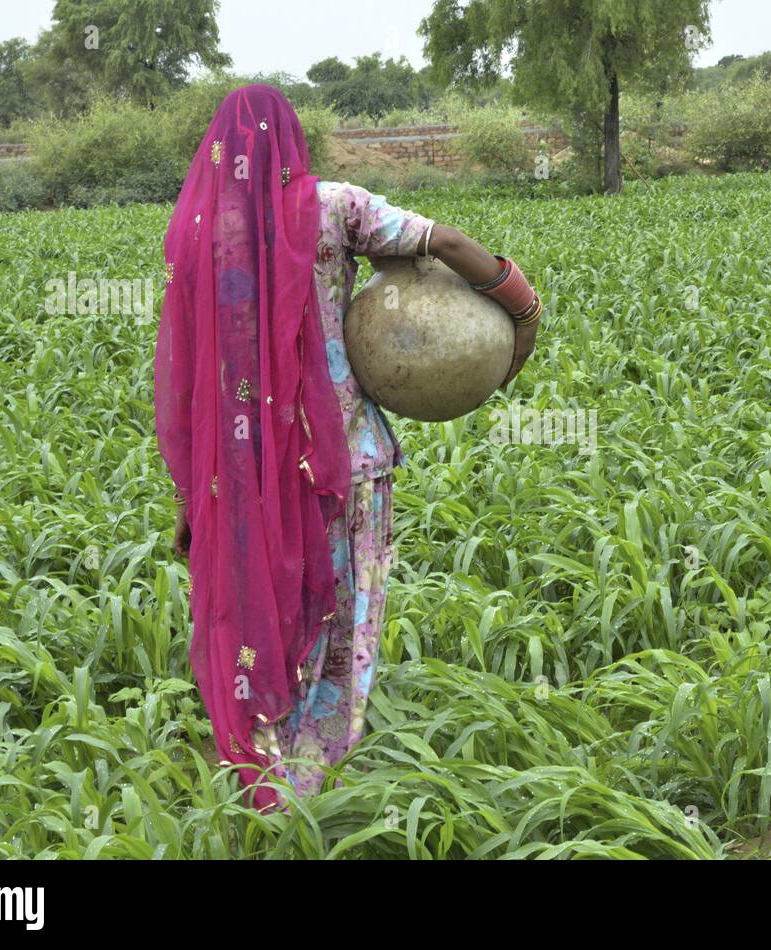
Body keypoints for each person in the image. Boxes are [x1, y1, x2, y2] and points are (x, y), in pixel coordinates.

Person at [155, 84, 540, 809]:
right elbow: (449, 244)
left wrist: (189, 496)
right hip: (342, 459)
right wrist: (523, 307)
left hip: (241, 474)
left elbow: (193, 374)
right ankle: (311, 779)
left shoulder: (198, 233)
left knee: (262, 611)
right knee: (342, 613)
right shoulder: (333, 206)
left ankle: (260, 758)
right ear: (293, 139)